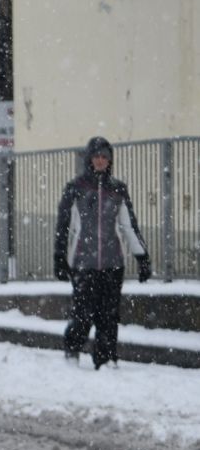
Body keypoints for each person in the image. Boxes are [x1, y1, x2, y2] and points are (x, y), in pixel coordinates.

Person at [52, 135, 150, 369]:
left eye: (104, 157)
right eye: (96, 156)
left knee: (109, 315)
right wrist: (59, 256)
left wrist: (142, 257)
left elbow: (128, 226)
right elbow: (63, 226)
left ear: (110, 160)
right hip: (83, 262)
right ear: (89, 159)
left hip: (112, 262)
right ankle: (72, 350)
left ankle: (105, 358)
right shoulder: (75, 188)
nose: (100, 161)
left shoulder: (117, 189)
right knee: (82, 313)